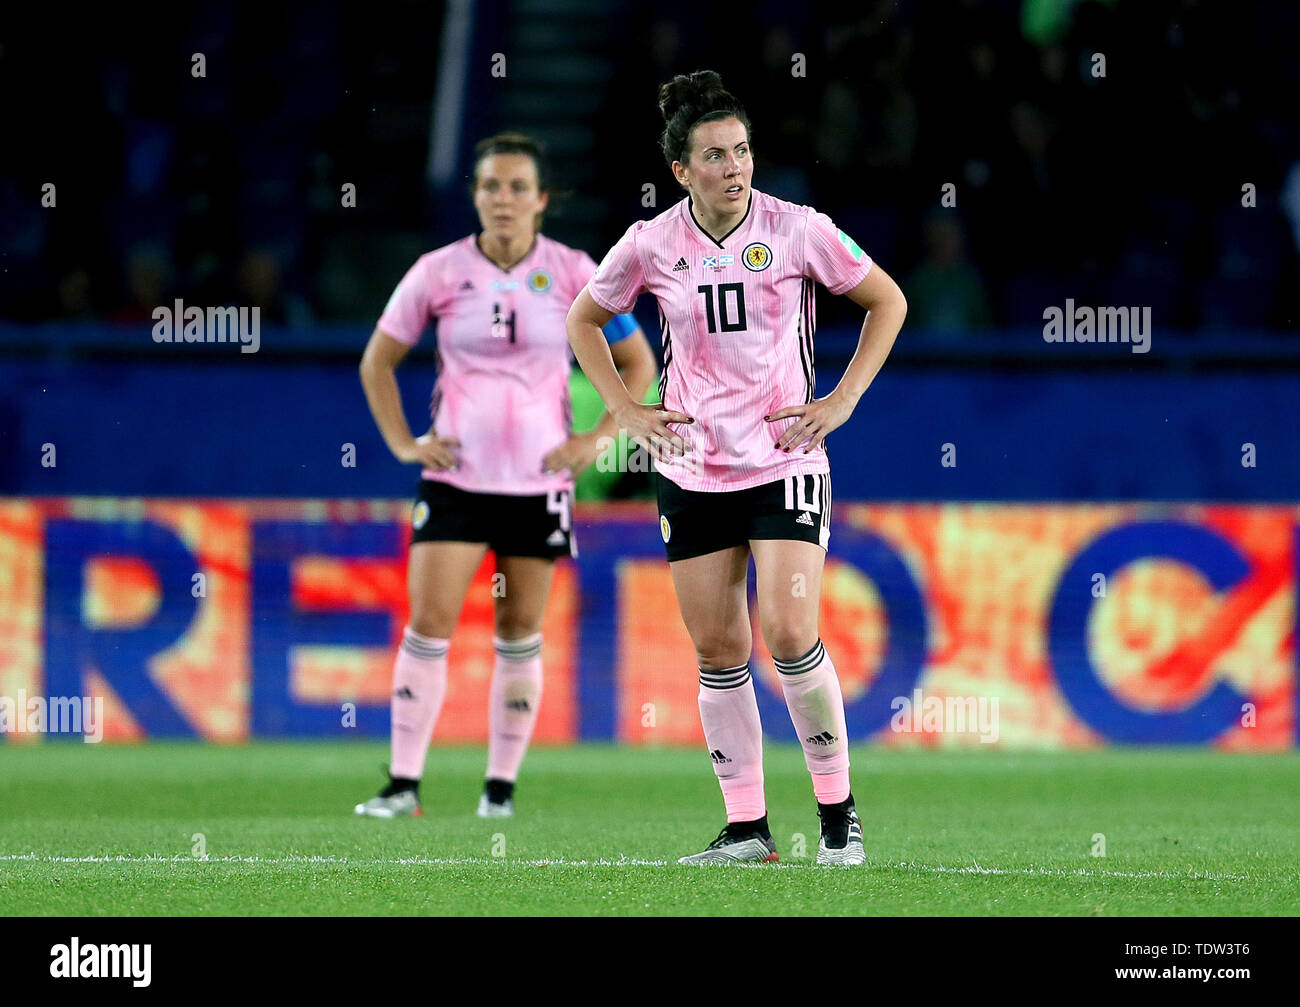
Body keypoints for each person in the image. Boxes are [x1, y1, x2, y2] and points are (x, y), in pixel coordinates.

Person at [567, 71, 906, 864]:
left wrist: (844, 397)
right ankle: (749, 828)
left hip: (784, 457)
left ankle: (838, 818)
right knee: (720, 649)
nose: (735, 167)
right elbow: (585, 318)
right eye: (715, 155)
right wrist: (626, 410)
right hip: (691, 466)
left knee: (790, 631)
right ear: (681, 171)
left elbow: (886, 300)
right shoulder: (652, 242)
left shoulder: (798, 229)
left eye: (743, 151)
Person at [356, 132, 656, 818]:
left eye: (518, 187)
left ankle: (500, 789)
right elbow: (378, 360)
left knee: (519, 629)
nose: (503, 199)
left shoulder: (577, 270)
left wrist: (598, 440)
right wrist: (405, 444)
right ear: (475, 195)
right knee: (428, 625)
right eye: (491, 185)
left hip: (538, 482)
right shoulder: (438, 270)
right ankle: (403, 783)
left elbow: (638, 362)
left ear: (542, 200)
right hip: (457, 480)